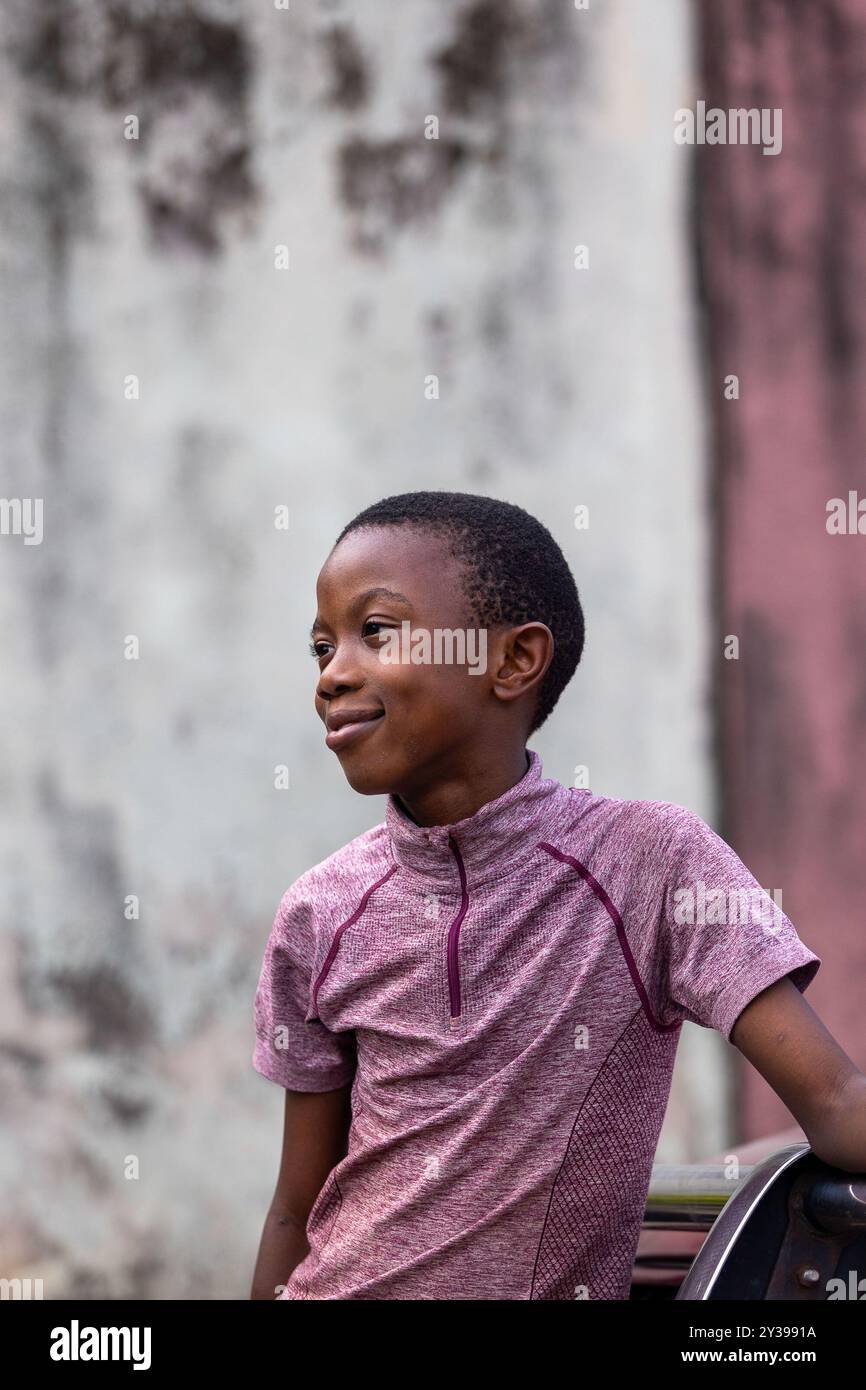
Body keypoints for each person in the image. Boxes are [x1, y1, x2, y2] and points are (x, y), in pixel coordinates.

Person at [249, 490, 862, 1301]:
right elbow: (298, 1207)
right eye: (321, 646)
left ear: (513, 661)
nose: (333, 674)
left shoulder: (652, 863)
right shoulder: (321, 909)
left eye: (377, 632)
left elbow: (836, 1101)